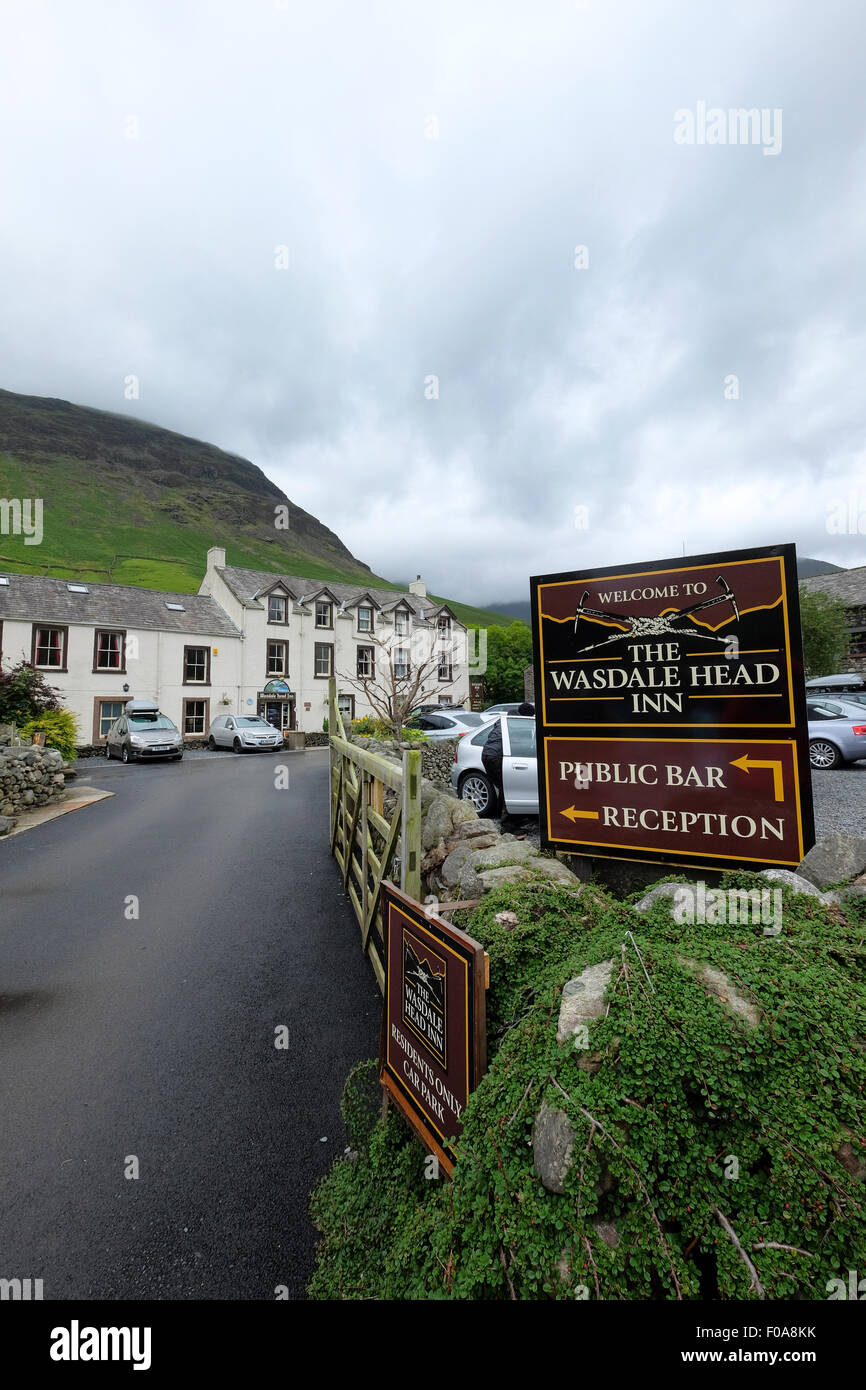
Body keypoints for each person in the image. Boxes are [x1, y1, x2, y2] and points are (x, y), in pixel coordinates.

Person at [481, 703, 535, 817]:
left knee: (503, 787)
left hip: (486, 754)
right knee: (506, 788)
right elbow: (520, 743)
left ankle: (499, 815)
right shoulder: (517, 724)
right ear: (527, 715)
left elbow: (491, 736)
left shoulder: (504, 721)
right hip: (495, 757)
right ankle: (507, 823)